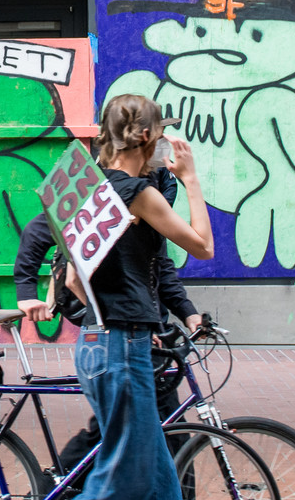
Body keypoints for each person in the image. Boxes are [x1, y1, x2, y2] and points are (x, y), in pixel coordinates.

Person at [0, 93, 217, 500]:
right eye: (162, 133)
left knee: (159, 476)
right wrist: (190, 179)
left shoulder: (85, 190)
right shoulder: (138, 193)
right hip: (122, 345)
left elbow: (73, 279)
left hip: (98, 341)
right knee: (133, 471)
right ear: (147, 138)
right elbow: (202, 246)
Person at [12, 143, 203, 478]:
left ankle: (57, 493)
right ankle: (54, 497)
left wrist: (187, 311)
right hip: (121, 331)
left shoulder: (148, 192)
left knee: (136, 435)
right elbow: (38, 233)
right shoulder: (103, 194)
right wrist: (26, 293)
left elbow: (161, 265)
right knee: (136, 439)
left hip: (140, 328)